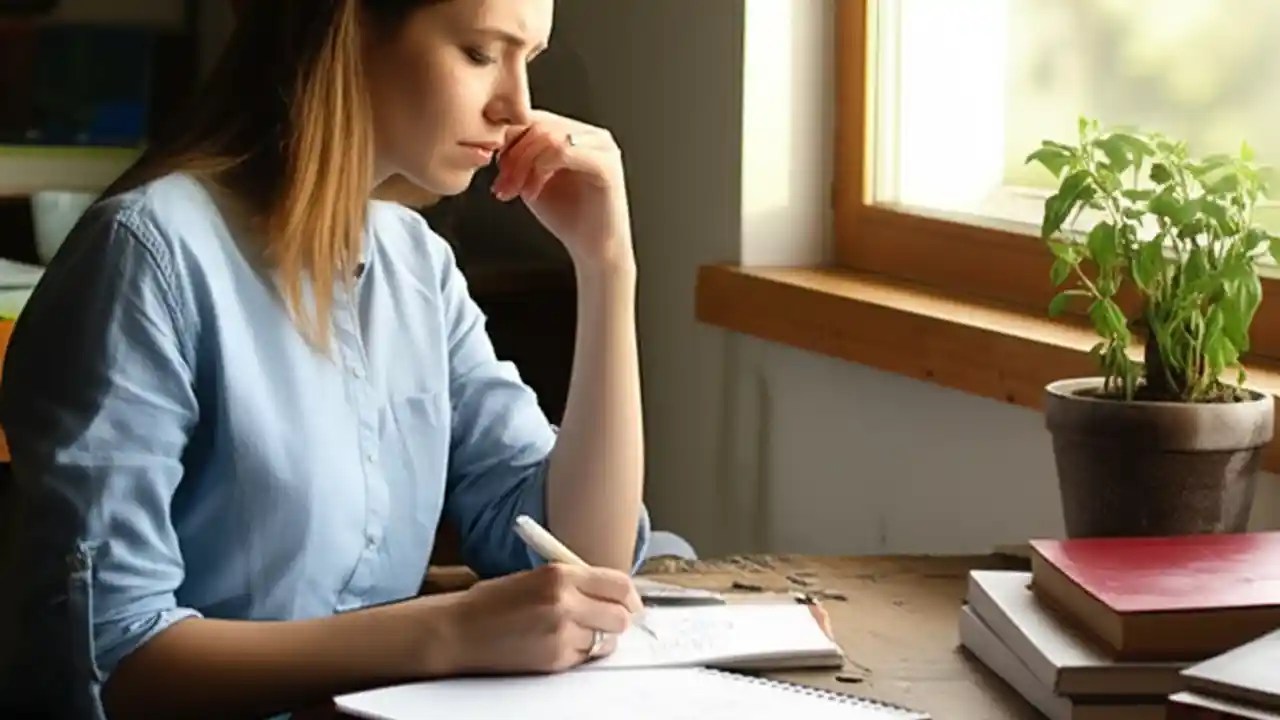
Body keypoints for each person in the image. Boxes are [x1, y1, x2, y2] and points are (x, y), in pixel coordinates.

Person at [0, 0, 653, 717]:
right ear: (349, 32)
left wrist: (607, 267)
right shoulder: (148, 256)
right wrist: (447, 633)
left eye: (528, 60)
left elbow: (582, 561)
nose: (517, 109)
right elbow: (113, 658)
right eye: (478, 53)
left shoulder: (418, 268)